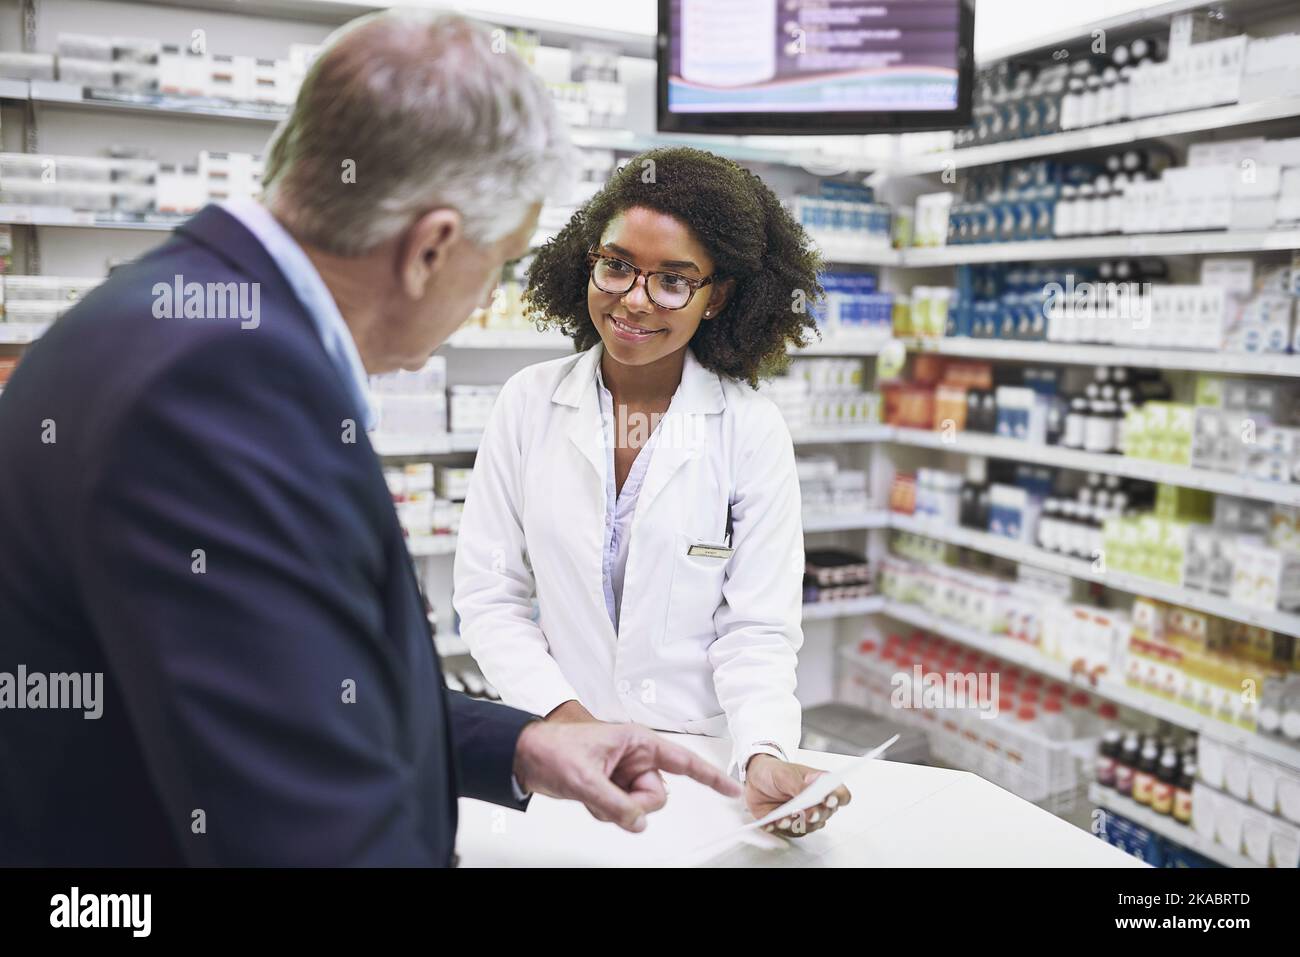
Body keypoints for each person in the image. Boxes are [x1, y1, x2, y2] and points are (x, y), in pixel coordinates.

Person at [0, 11, 739, 868]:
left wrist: (520, 745)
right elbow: (303, 825)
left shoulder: (193, 313)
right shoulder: (219, 388)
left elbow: (289, 683)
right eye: (496, 263)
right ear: (430, 248)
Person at [454, 147, 850, 836]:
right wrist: (569, 722)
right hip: (562, 752)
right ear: (590, 261)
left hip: (702, 763)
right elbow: (490, 596)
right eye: (616, 266)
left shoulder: (749, 428)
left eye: (673, 280)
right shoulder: (528, 402)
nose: (634, 299)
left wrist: (762, 753)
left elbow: (756, 629)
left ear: (716, 295)